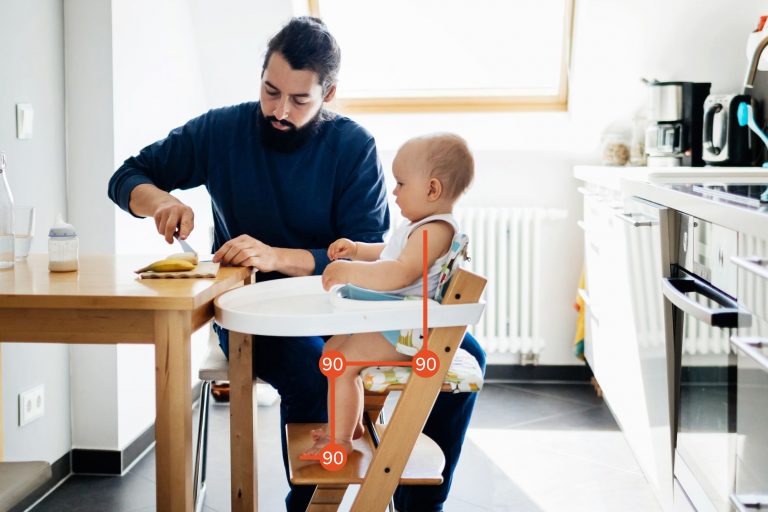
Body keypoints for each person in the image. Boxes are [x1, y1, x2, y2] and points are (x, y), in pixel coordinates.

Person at [107, 16, 485, 512]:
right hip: (253, 312)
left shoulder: (353, 147)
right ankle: (309, 507)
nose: (279, 109)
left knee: (466, 354)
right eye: (270, 90)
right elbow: (127, 175)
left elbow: (373, 251)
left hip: (346, 306)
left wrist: (282, 256)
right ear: (262, 76)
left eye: (299, 99)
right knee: (314, 369)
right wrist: (159, 202)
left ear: (328, 94)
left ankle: (418, 504)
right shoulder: (221, 131)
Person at [303, 133, 474, 458]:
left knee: (342, 364)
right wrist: (357, 250)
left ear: (432, 189)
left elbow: (399, 272)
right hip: (400, 323)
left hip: (410, 333)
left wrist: (348, 271)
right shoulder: (422, 229)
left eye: (401, 184)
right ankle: (349, 425)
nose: (393, 192)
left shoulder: (433, 231)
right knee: (333, 350)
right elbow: (391, 254)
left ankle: (340, 441)